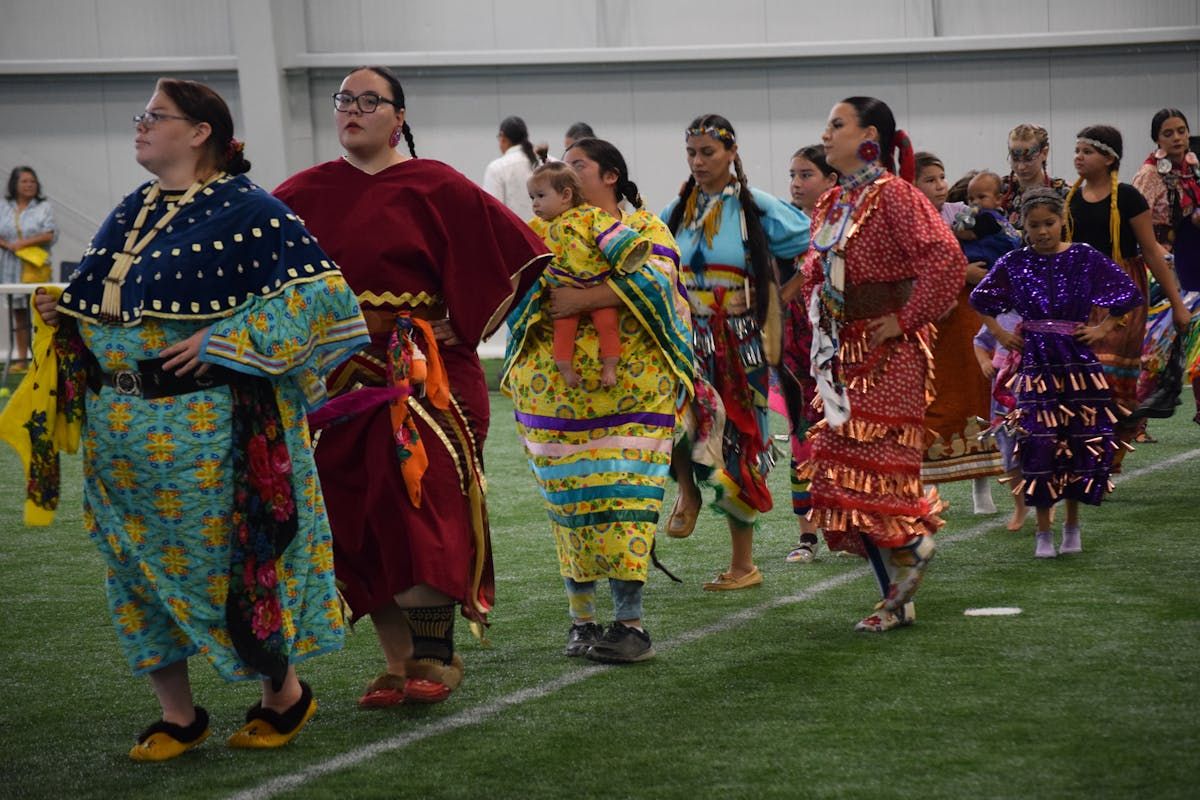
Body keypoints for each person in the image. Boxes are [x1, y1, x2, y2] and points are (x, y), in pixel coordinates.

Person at [23, 78, 369, 760]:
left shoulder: (251, 212)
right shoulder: (132, 211)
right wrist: (68, 317)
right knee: (132, 572)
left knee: (231, 561)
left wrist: (226, 340)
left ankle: (283, 694)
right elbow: (116, 305)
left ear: (201, 131)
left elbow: (326, 304)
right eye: (143, 116)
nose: (141, 127)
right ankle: (178, 716)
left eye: (156, 117)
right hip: (117, 435)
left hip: (209, 433)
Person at [274, 66, 549, 708]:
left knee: (418, 501)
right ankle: (398, 660)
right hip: (336, 378)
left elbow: (524, 259)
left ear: (399, 117)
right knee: (354, 512)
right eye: (345, 99)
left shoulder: (438, 185)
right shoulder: (299, 194)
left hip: (424, 376)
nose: (354, 110)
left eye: (371, 101)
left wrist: (469, 325)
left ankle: (435, 652)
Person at [502, 136, 692, 663]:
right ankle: (581, 621)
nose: (565, 168)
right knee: (570, 506)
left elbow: (661, 279)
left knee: (624, 500)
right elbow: (515, 288)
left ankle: (629, 623)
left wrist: (587, 296)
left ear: (609, 176)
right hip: (554, 396)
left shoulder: (643, 227)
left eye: (577, 163)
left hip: (630, 391)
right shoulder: (540, 232)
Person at [786, 97, 965, 631]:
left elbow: (947, 259)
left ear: (870, 136)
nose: (826, 132)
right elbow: (820, 273)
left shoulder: (895, 196)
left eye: (837, 125)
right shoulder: (834, 200)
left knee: (864, 477)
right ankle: (897, 598)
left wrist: (907, 319)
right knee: (844, 479)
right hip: (840, 354)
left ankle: (912, 545)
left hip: (888, 354)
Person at [662, 114, 810, 591]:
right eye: (692, 153)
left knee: (741, 441)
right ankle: (687, 491)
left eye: (708, 152)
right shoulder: (677, 211)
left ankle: (743, 564)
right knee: (674, 420)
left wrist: (775, 295)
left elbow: (816, 247)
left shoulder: (755, 208)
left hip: (738, 342)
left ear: (731, 153)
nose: (699, 162)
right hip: (688, 338)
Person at [971, 189, 1142, 557]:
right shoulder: (1015, 262)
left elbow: (1127, 292)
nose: (1043, 231)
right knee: (1039, 441)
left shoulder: (1083, 256)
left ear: (1062, 221)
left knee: (1079, 439)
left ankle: (1072, 526)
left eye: (1049, 223)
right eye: (1034, 226)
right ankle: (1043, 532)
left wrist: (1101, 329)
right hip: (1035, 361)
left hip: (1077, 363)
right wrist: (999, 333)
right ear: (1023, 226)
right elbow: (980, 299)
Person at [1065, 124, 1191, 464]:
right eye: (1077, 150)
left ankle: (1108, 453)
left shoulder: (1129, 198)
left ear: (1108, 158)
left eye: (1087, 151)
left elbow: (1151, 252)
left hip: (1124, 290)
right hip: (1081, 292)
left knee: (1110, 373)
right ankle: (1090, 452)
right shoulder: (1070, 199)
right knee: (1084, 376)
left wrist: (1177, 305)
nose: (1078, 157)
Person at [912, 152, 1005, 512]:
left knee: (976, 393)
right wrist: (961, 272)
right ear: (912, 184)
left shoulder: (957, 214)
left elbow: (996, 238)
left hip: (967, 316)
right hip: (926, 322)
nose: (939, 186)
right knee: (929, 402)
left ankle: (981, 486)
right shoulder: (905, 222)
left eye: (941, 178)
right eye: (930, 179)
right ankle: (919, 487)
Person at [526, 161, 652, 387]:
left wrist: (630, 251)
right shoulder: (537, 226)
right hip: (562, 292)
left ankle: (610, 368)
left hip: (597, 284)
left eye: (540, 196)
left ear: (565, 195)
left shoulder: (590, 216)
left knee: (607, 325)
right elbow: (520, 250)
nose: (535, 204)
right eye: (532, 198)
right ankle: (566, 371)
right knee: (563, 330)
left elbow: (613, 238)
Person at [782, 144, 837, 564]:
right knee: (803, 441)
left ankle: (858, 526)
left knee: (847, 440)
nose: (797, 184)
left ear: (831, 179)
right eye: (793, 175)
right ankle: (808, 536)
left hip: (842, 352)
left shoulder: (848, 225)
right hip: (796, 354)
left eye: (806, 175)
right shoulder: (781, 228)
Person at [1130, 108, 1200, 426]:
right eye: (1168, 133)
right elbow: (1136, 225)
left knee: (1193, 333)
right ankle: (1137, 414)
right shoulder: (1149, 175)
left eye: (1181, 131)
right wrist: (1162, 258)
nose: (1177, 138)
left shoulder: (1192, 168)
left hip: (1188, 258)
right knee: (1155, 339)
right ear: (1157, 139)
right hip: (1154, 261)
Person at [0, 166, 57, 370]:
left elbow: (50, 234)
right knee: (19, 313)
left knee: (42, 313)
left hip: (35, 266)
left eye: (32, 181)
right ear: (15, 184)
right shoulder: (4, 206)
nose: (29, 185)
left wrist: (22, 244)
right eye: (24, 181)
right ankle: (22, 358)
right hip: (11, 266)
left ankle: (44, 357)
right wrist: (8, 246)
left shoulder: (43, 207)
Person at [998, 123, 1069, 228]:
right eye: (1015, 159)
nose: (1021, 167)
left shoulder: (1062, 192)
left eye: (1028, 159)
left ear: (1044, 153)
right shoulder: (999, 189)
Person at [483, 115, 542, 220]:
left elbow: (492, 214)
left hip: (514, 235)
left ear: (502, 137)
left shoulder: (497, 168)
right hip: (548, 234)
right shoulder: (550, 162)